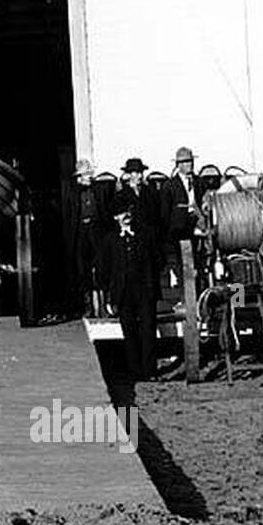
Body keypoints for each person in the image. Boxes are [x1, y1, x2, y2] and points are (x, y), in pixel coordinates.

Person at [103, 157, 161, 382]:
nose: (124, 217)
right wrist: (110, 293)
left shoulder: (145, 233)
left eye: (139, 172)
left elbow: (155, 257)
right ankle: (135, 371)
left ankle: (150, 371)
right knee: (129, 331)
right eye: (132, 172)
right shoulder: (113, 239)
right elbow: (107, 268)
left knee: (148, 328)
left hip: (144, 286)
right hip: (124, 288)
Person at [63, 158, 110, 317]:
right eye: (86, 174)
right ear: (79, 176)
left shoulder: (98, 189)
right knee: (83, 269)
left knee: (102, 266)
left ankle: (104, 305)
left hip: (96, 230)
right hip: (81, 230)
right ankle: (88, 306)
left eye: (90, 173)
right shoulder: (73, 191)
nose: (89, 176)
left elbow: (104, 210)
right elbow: (69, 215)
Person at [160, 145, 204, 292]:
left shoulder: (199, 182)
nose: (189, 165)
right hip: (179, 232)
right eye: (185, 162)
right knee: (184, 267)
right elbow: (165, 213)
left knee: (200, 264)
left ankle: (202, 296)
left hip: (198, 229)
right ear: (178, 165)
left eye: (190, 161)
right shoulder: (169, 186)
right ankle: (186, 298)